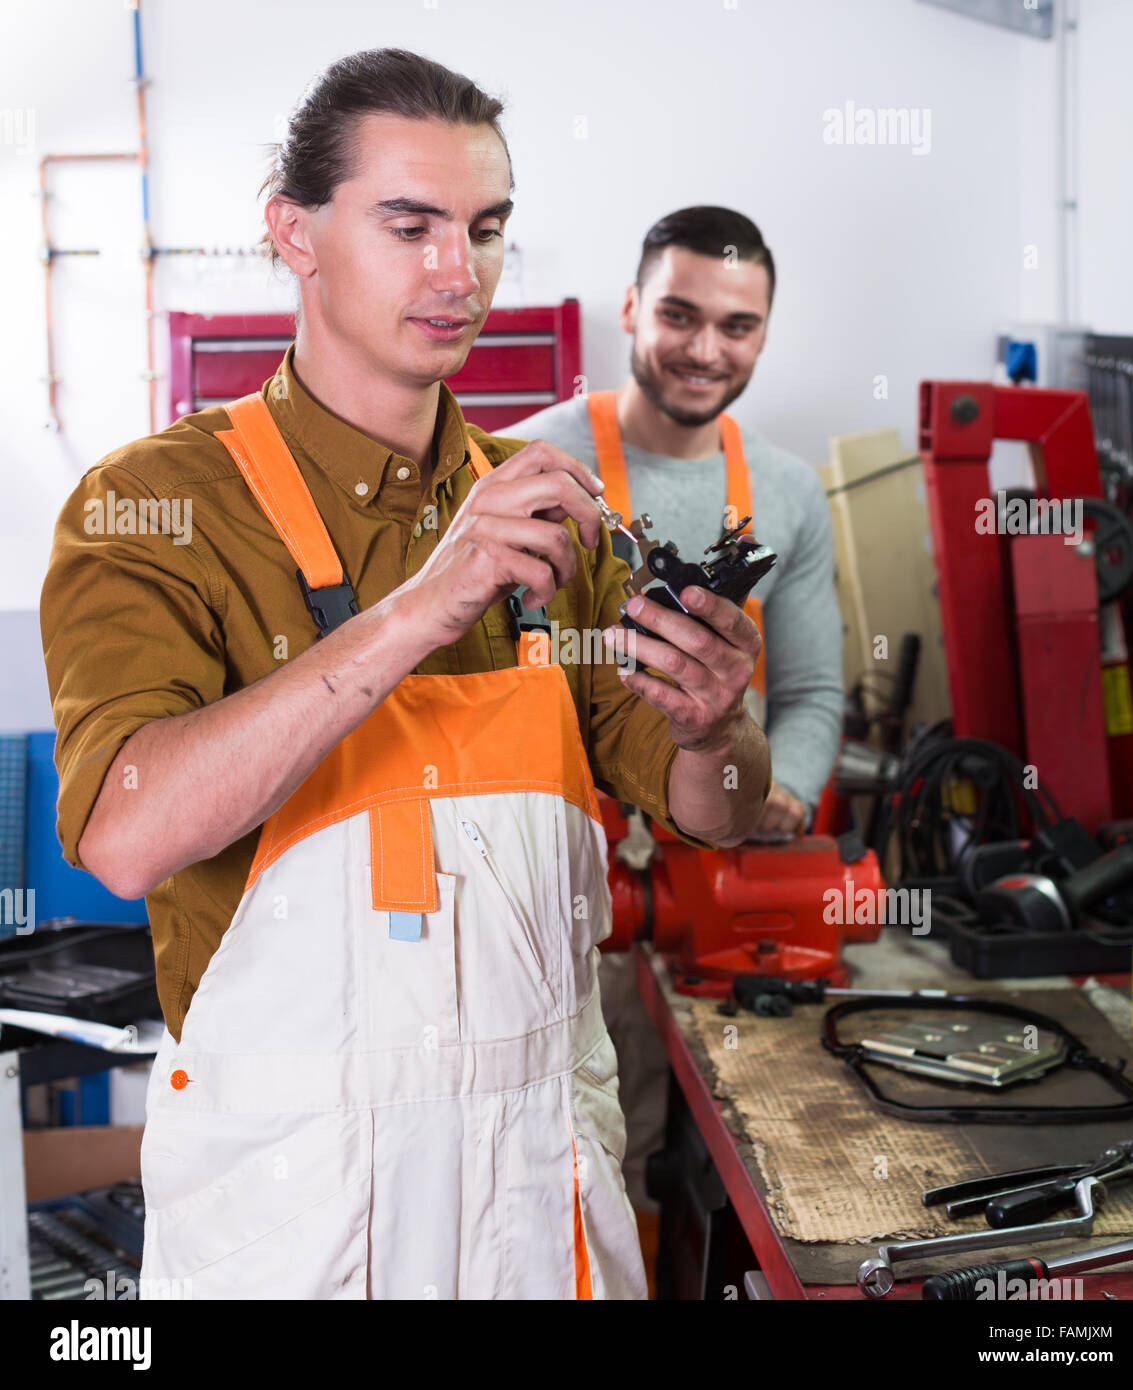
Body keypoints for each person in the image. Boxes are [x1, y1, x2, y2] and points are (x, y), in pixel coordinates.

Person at [38, 49, 772, 1301]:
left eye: (485, 230)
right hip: (295, 1226)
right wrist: (420, 608)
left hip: (543, 1204)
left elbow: (714, 808)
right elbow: (124, 834)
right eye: (410, 224)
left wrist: (717, 724)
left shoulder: (549, 512)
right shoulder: (152, 505)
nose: (458, 272)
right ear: (296, 232)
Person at [508, 207, 844, 1216]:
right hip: (557, 884)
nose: (705, 349)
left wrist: (780, 788)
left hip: (708, 884)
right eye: (679, 315)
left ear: (763, 333)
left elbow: (815, 691)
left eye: (735, 326)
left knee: (698, 1161)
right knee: (567, 1168)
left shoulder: (784, 492)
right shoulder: (526, 465)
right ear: (630, 309)